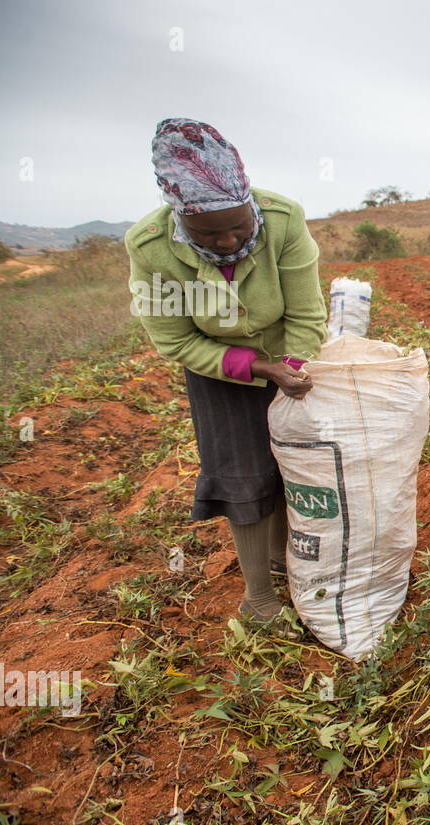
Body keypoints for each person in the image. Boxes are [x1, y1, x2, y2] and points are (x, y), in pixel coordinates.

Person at [125, 118, 326, 623]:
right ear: (179, 215)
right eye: (208, 232)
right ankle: (259, 597)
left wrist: (291, 368)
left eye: (238, 225)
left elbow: (305, 312)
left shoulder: (282, 219)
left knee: (290, 461)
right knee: (245, 475)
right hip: (219, 368)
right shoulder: (149, 247)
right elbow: (175, 339)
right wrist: (256, 368)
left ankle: (284, 563)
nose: (227, 240)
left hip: (288, 354)